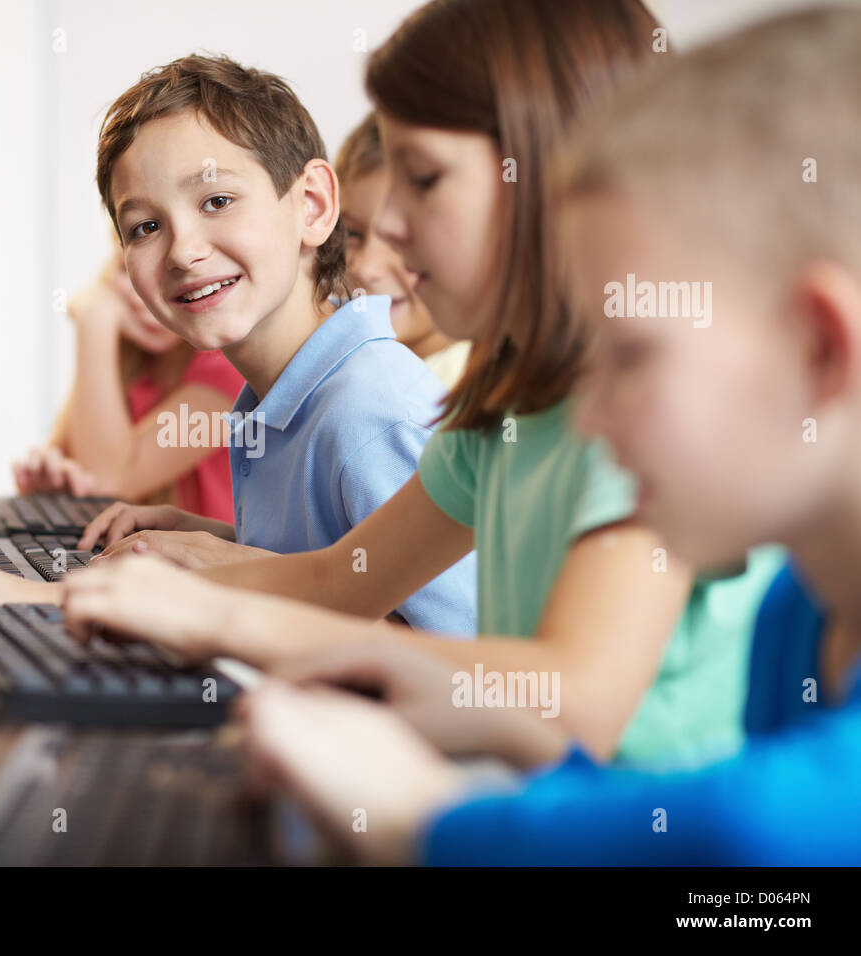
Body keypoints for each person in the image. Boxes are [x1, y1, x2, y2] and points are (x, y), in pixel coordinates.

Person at [57, 0, 783, 769]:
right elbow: (341, 578)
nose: (388, 230)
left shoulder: (646, 408)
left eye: (425, 179)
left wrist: (215, 618)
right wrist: (178, 593)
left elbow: (575, 703)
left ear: (557, 169)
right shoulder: (497, 404)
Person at [243, 4, 861, 864]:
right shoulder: (801, 615)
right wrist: (450, 707)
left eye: (634, 354)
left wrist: (424, 818)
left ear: (822, 348)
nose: (592, 416)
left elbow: (755, 831)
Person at [0, 53, 479, 636]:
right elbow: (340, 571)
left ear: (312, 206)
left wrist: (203, 567)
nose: (184, 249)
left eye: (218, 200)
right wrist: (214, 540)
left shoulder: (371, 410)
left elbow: (459, 657)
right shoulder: (286, 393)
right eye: (146, 227)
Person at [11, 239, 243, 524]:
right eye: (127, 270)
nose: (145, 295)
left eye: (168, 271)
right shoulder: (130, 360)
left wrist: (95, 320)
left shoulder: (229, 364)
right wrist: (54, 485)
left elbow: (108, 481)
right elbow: (76, 470)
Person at [335, 112, 470, 388]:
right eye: (352, 234)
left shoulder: (466, 391)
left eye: (397, 238)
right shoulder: (341, 370)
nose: (365, 268)